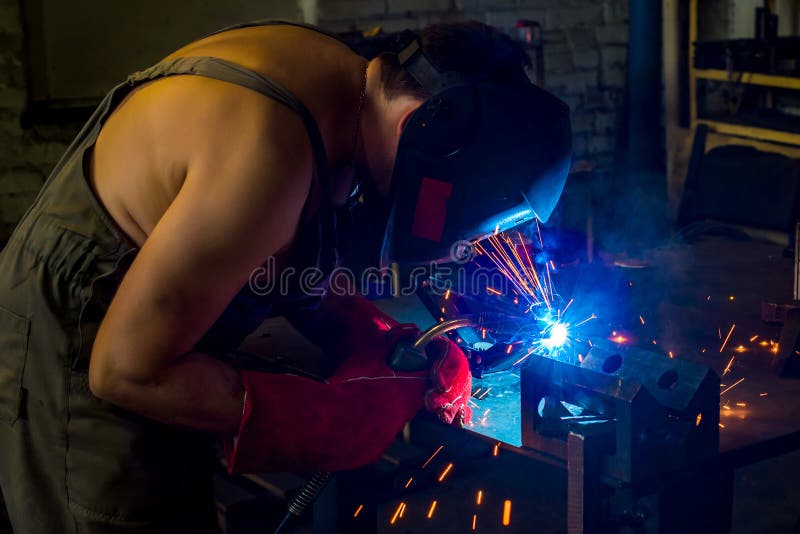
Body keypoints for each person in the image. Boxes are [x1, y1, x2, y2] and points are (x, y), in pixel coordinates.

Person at [0, 19, 571, 533]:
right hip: (76, 346)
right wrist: (332, 417)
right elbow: (126, 374)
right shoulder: (269, 151)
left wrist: (380, 335)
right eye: (470, 228)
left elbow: (272, 260)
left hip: (132, 321)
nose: (461, 250)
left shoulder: (339, 87)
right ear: (429, 130)